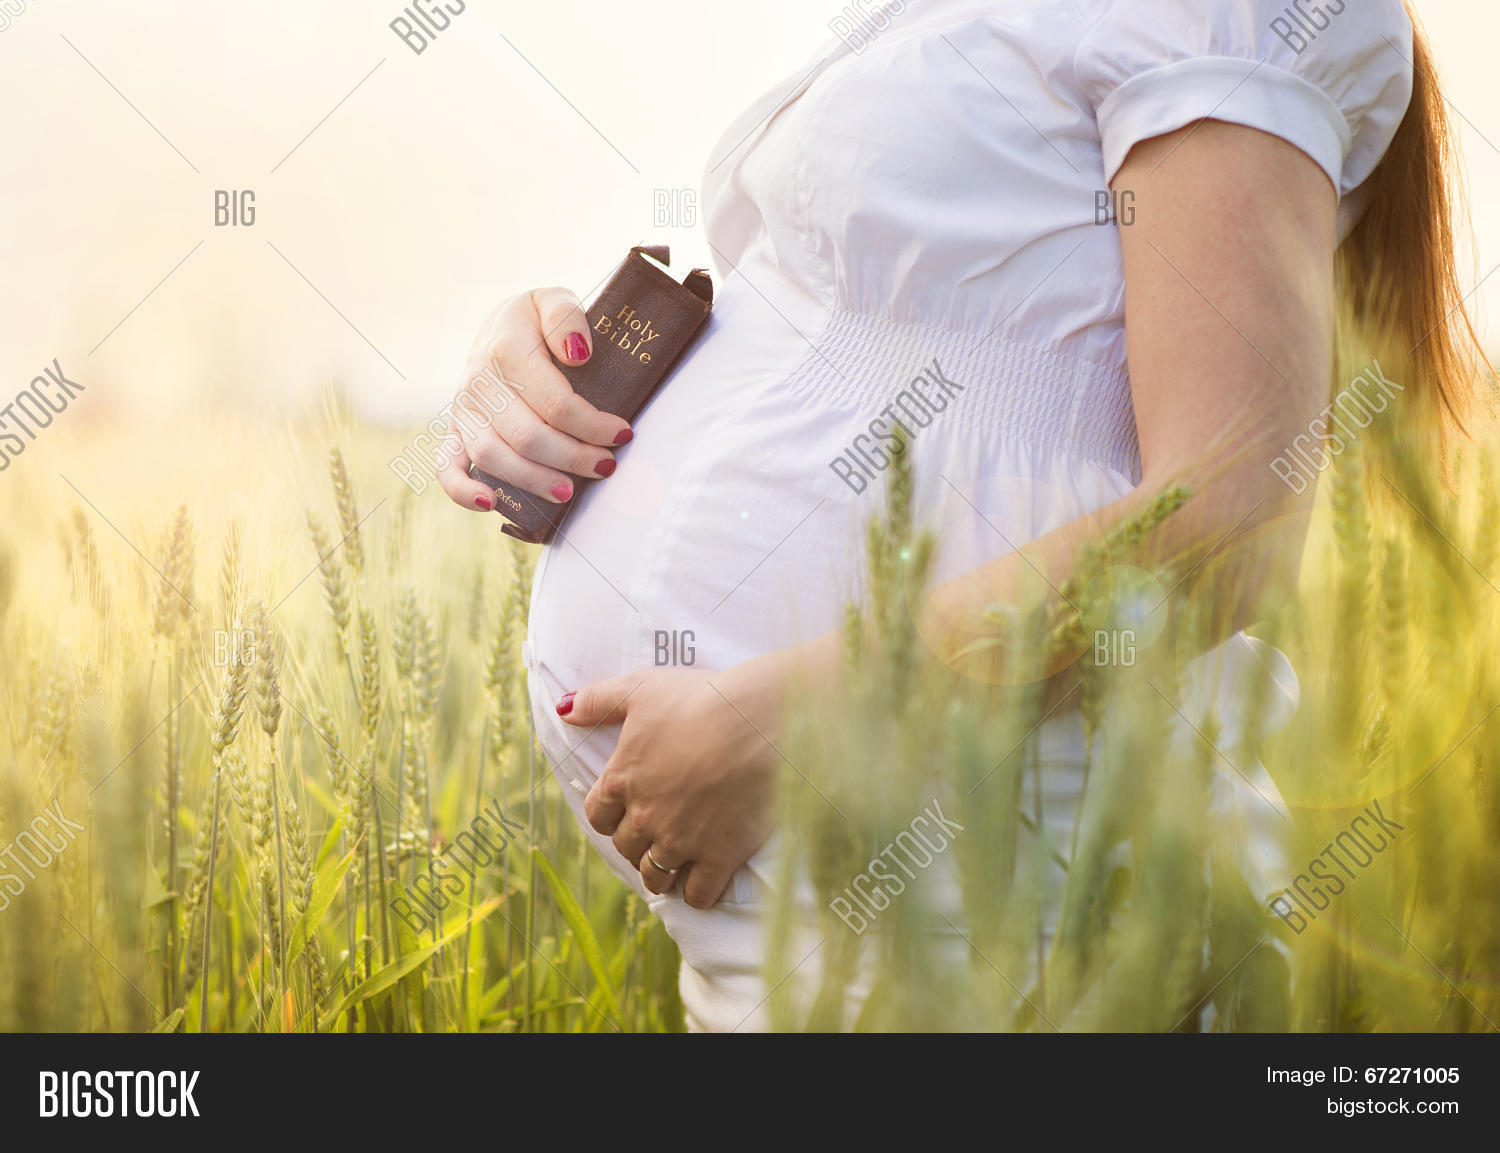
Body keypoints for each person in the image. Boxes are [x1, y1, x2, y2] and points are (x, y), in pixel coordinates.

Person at [437, 0, 1484, 1030]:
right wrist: (537, 356)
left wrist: (795, 721)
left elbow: (1226, 520)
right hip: (805, 920)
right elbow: (862, 316)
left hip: (990, 881)